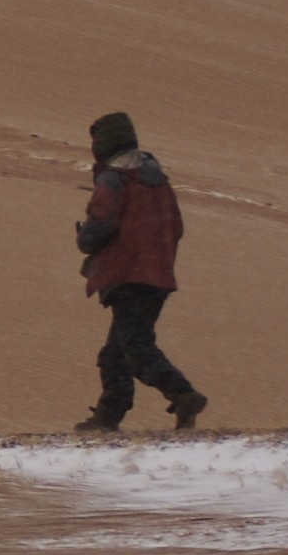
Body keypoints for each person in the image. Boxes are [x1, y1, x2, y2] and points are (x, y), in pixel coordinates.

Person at [73, 110, 207, 433]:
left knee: (136, 350)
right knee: (117, 352)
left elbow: (100, 226)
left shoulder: (113, 178)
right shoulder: (157, 179)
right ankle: (108, 416)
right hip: (156, 276)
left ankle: (183, 394)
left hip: (128, 275)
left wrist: (85, 237)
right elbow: (176, 227)